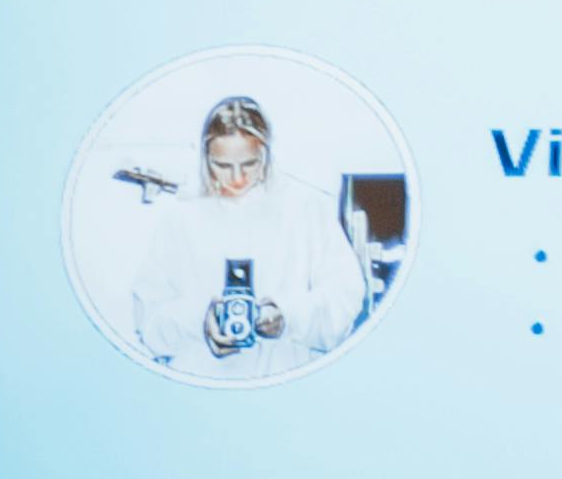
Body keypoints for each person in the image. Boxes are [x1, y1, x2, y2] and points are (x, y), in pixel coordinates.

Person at [115, 92, 371, 375]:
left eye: (249, 163)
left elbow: (344, 298)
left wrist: (288, 316)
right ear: (205, 158)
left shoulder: (306, 210)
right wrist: (199, 322)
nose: (237, 178)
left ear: (266, 153)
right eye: (222, 166)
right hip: (201, 383)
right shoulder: (180, 220)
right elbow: (150, 320)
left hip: (285, 379)